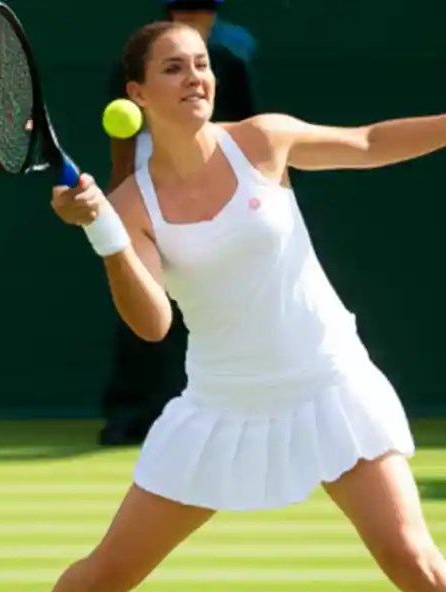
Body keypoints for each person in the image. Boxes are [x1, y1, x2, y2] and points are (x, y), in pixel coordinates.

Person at [0, 20, 446, 592]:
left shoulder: (261, 141)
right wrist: (103, 232)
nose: (196, 78)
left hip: (330, 385)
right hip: (221, 409)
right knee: (106, 575)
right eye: (174, 69)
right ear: (137, 92)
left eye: (201, 65)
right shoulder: (130, 204)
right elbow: (152, 324)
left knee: (415, 562)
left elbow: (368, 142)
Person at [99, 0, 257, 446]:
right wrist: (119, 199)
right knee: (144, 309)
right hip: (152, 202)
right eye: (184, 13)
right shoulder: (137, 65)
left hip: (218, 198)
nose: (194, 22)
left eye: (202, 14)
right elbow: (122, 144)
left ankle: (236, 414)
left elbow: (246, 131)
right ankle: (129, 415)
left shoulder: (230, 61)